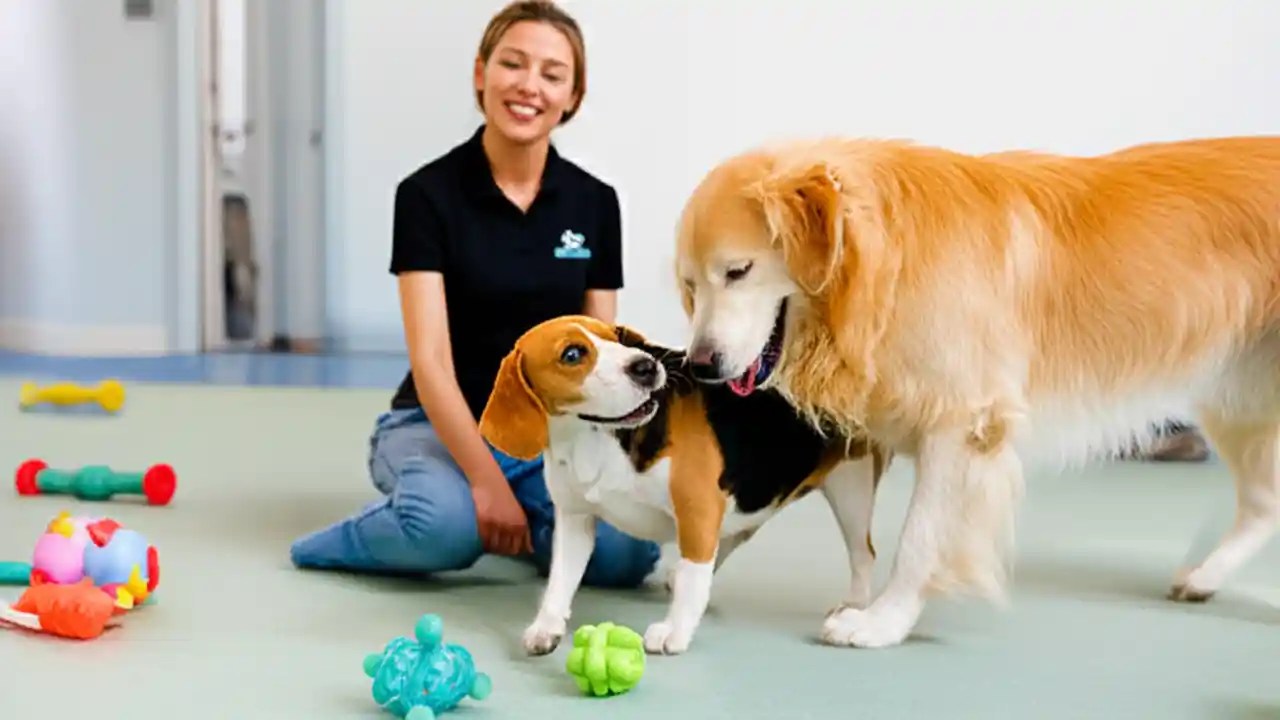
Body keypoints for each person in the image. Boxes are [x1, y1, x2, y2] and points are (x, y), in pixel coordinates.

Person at [290, 0, 661, 588]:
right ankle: (336, 542)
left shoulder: (595, 202)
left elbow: (602, 353)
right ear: (480, 73)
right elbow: (431, 362)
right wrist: (486, 482)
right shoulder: (426, 195)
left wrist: (611, 466)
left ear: (573, 96)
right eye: (512, 63)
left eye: (551, 74)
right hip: (433, 422)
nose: (528, 85)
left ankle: (526, 522)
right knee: (444, 529)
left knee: (624, 556)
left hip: (545, 434)